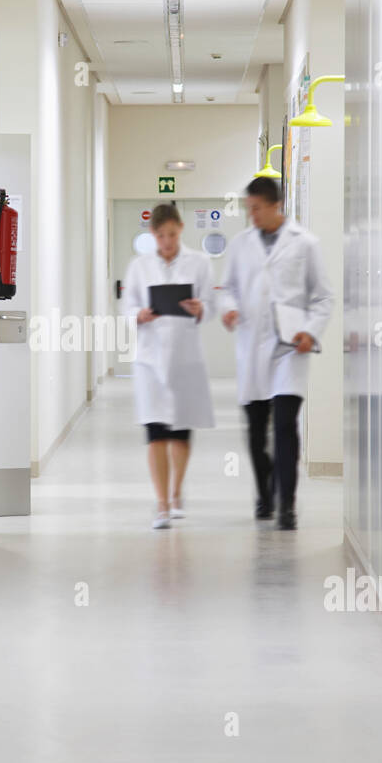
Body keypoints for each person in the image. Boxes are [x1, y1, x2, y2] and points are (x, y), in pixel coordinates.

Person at [220, 176, 333, 530]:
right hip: (252, 345)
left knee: (284, 426)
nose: (251, 215)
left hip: (289, 347)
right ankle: (265, 494)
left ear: (275, 205)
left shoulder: (305, 243)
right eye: (247, 209)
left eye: (255, 208)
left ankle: (287, 504)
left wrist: (310, 331)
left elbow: (324, 297)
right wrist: (228, 307)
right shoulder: (241, 244)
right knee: (256, 432)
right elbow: (228, 288)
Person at [122, 203, 217, 529]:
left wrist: (199, 307)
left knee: (180, 433)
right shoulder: (139, 266)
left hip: (185, 358)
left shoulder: (200, 262)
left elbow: (212, 305)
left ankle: (177, 492)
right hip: (150, 359)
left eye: (172, 235)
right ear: (153, 233)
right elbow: (127, 307)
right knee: (156, 432)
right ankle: (161, 504)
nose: (167, 242)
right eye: (161, 236)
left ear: (180, 229)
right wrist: (139, 315)